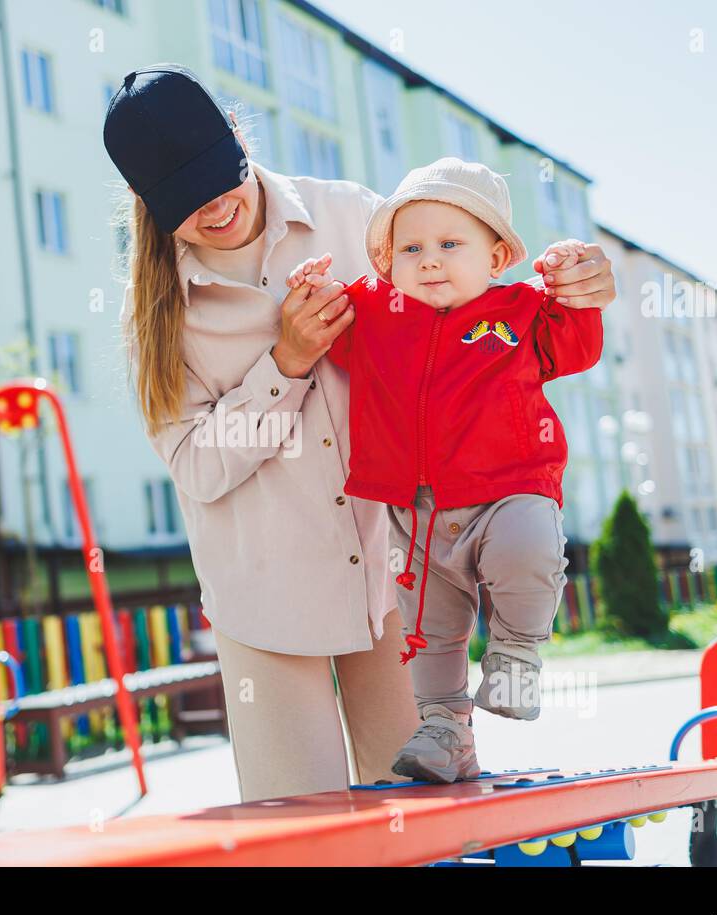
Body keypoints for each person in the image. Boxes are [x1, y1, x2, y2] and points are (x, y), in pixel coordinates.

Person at [102, 64, 617, 802]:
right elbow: (196, 467)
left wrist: (574, 290)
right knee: (303, 840)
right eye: (186, 201)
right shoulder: (158, 315)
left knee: (433, 817)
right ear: (148, 205)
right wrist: (286, 363)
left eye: (224, 178)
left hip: (393, 578)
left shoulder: (356, 218)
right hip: (266, 604)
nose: (216, 209)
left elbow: (475, 311)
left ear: (239, 142)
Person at [287, 157, 603, 784]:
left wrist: (572, 282)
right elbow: (326, 323)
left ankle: (515, 654)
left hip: (509, 491)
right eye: (410, 248)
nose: (429, 260)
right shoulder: (375, 311)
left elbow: (577, 346)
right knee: (428, 633)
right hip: (417, 513)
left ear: (494, 258)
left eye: (450, 244)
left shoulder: (520, 310)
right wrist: (309, 291)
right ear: (389, 262)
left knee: (529, 553)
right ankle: (443, 730)